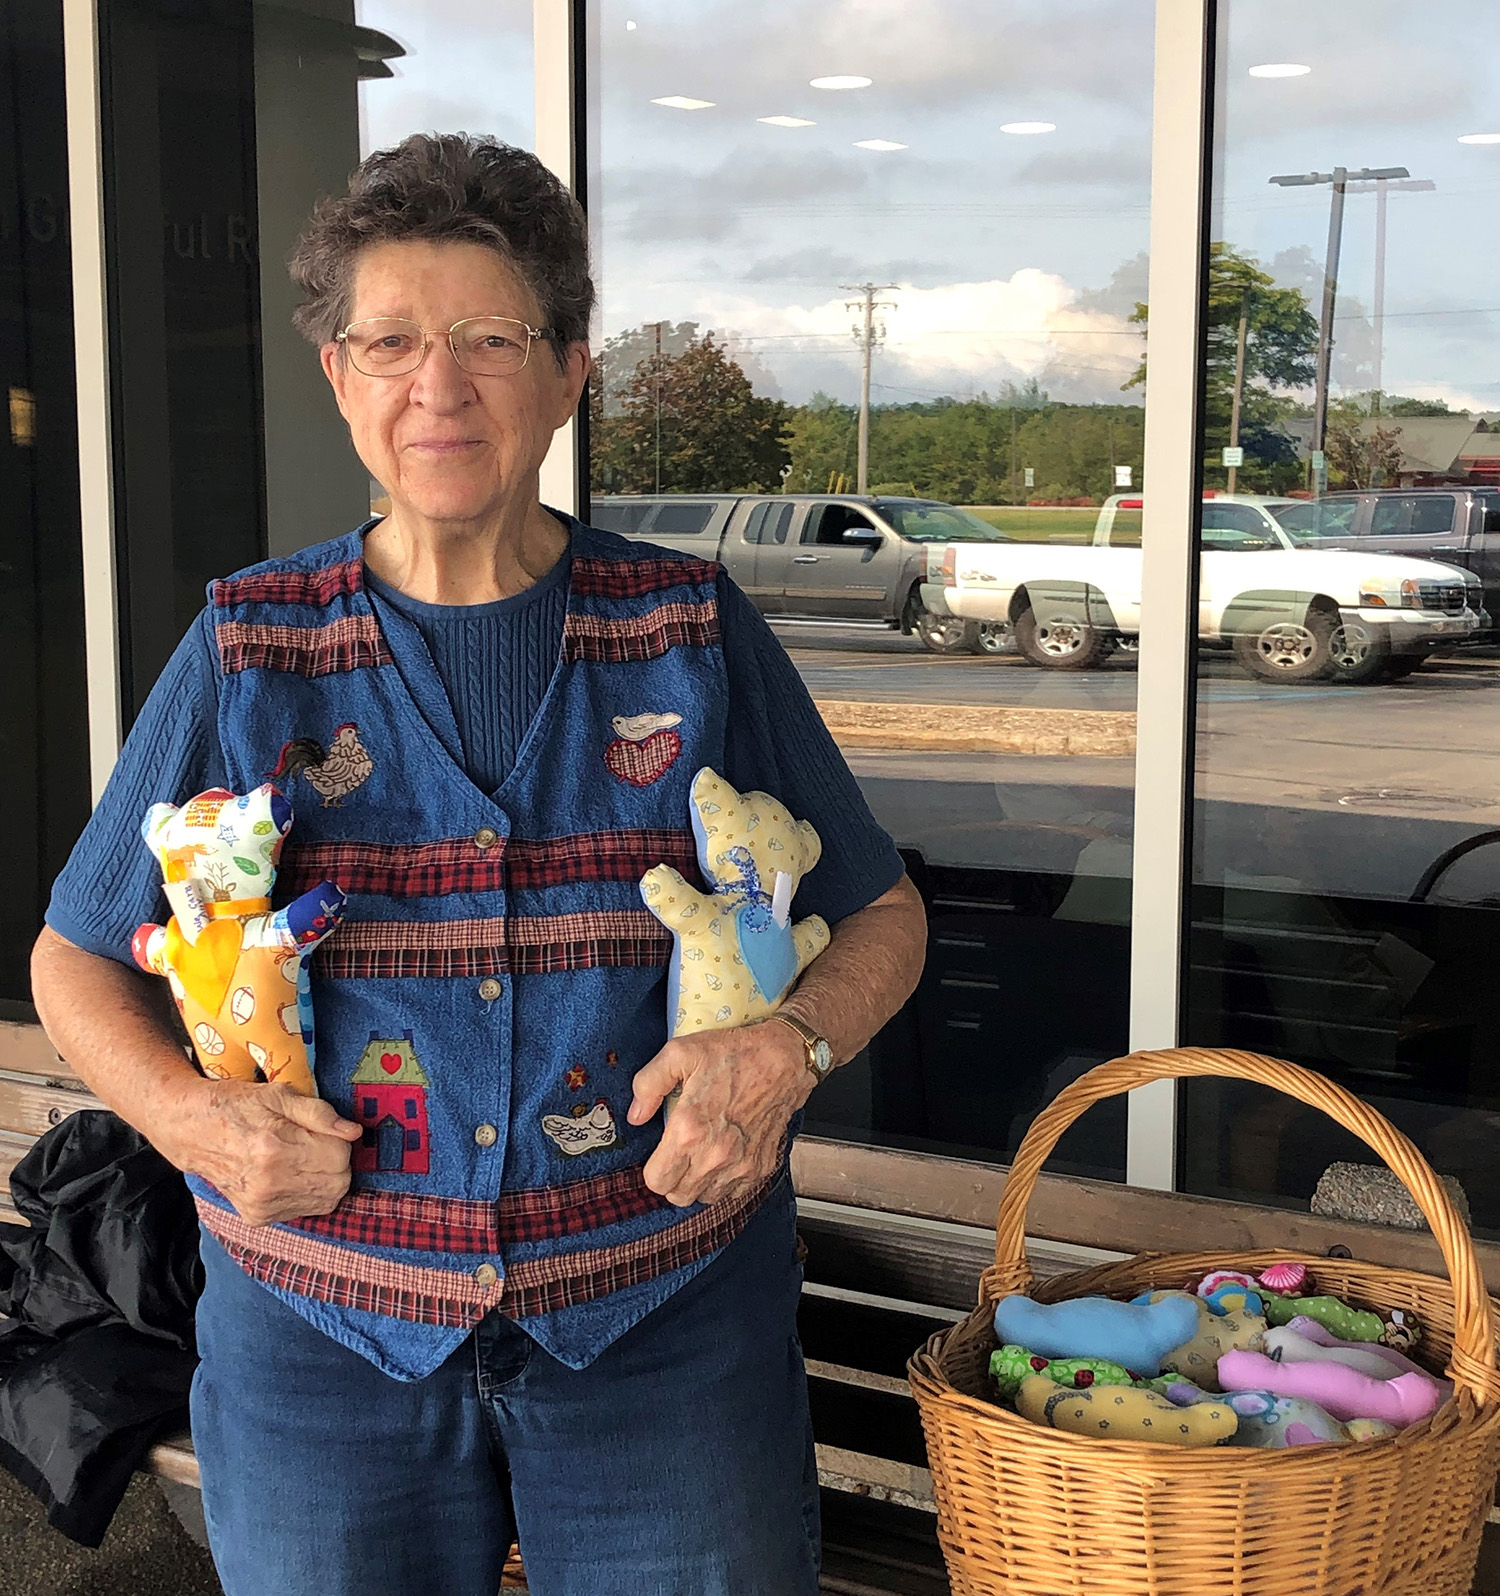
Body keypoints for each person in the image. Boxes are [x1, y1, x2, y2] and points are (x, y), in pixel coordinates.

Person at [30, 132, 926, 1596]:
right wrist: (194, 1126)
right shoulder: (249, 645)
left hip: (665, 1324)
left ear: (572, 369)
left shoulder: (690, 626)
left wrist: (792, 1044)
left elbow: (878, 910)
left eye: (490, 340)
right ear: (339, 378)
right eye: (388, 341)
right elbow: (75, 955)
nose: (434, 388)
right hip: (323, 1336)